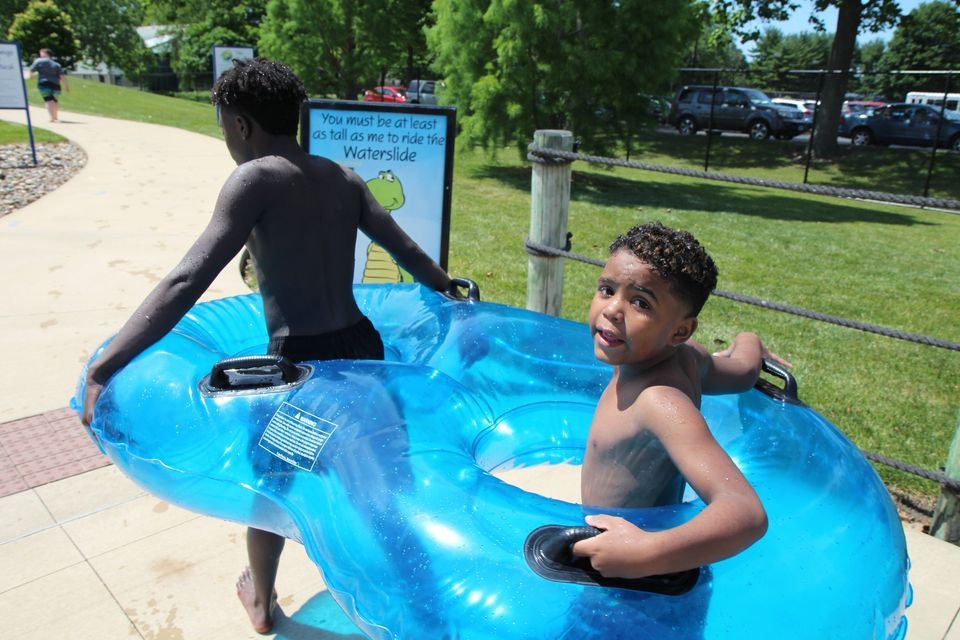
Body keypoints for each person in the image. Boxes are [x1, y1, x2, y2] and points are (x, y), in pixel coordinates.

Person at [79, 57, 456, 634]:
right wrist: (447, 287)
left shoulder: (254, 178)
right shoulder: (342, 177)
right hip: (363, 349)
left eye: (225, 126)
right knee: (383, 474)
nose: (227, 138)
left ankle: (261, 601)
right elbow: (406, 250)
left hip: (299, 364)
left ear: (243, 125)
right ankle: (421, 589)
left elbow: (187, 279)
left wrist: (104, 367)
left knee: (269, 485)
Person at [572, 222, 787, 579]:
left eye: (640, 303)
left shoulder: (659, 402)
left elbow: (746, 512)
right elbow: (743, 371)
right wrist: (750, 340)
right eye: (607, 290)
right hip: (634, 557)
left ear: (680, 331)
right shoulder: (689, 358)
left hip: (636, 579)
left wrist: (644, 553)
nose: (612, 310)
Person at [29, 48, 69, 122]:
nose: (40, 56)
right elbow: (62, 76)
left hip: (44, 83)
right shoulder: (57, 64)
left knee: (48, 100)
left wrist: (31, 76)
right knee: (55, 101)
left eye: (41, 54)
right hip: (56, 85)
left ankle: (52, 118)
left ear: (45, 54)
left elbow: (31, 69)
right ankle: (56, 117)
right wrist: (66, 86)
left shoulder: (39, 61)